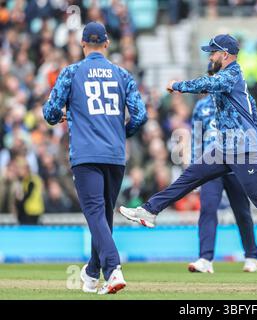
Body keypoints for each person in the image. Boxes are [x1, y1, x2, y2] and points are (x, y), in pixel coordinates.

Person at [119, 34, 257, 276]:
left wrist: (178, 85)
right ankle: (149, 210)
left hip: (243, 149)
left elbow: (210, 84)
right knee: (189, 177)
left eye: (213, 52)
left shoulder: (231, 74)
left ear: (225, 54)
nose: (210, 56)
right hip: (225, 148)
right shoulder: (228, 80)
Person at [43, 22, 147, 294]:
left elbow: (50, 112)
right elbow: (140, 115)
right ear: (107, 43)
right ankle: (91, 273)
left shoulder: (72, 72)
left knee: (95, 214)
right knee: (103, 217)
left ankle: (113, 269)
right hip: (115, 154)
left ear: (82, 44)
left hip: (87, 154)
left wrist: (64, 116)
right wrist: (120, 132)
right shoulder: (122, 74)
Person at [189, 62, 257, 274]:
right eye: (211, 76)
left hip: (236, 161)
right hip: (211, 163)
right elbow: (196, 138)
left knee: (242, 211)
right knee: (208, 209)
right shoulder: (202, 107)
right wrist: (195, 168)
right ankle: (205, 258)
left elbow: (252, 129)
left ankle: (251, 256)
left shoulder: (241, 100)